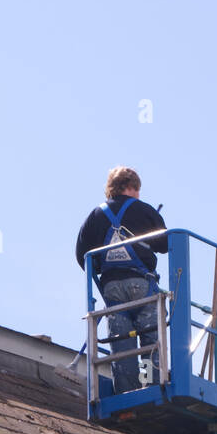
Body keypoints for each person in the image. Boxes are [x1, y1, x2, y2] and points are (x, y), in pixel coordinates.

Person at [76, 167, 168, 393]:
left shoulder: (96, 215)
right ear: (133, 187)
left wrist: (101, 271)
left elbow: (82, 255)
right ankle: (149, 386)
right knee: (150, 341)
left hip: (112, 288)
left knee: (122, 343)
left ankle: (126, 391)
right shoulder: (144, 210)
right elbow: (165, 245)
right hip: (141, 285)